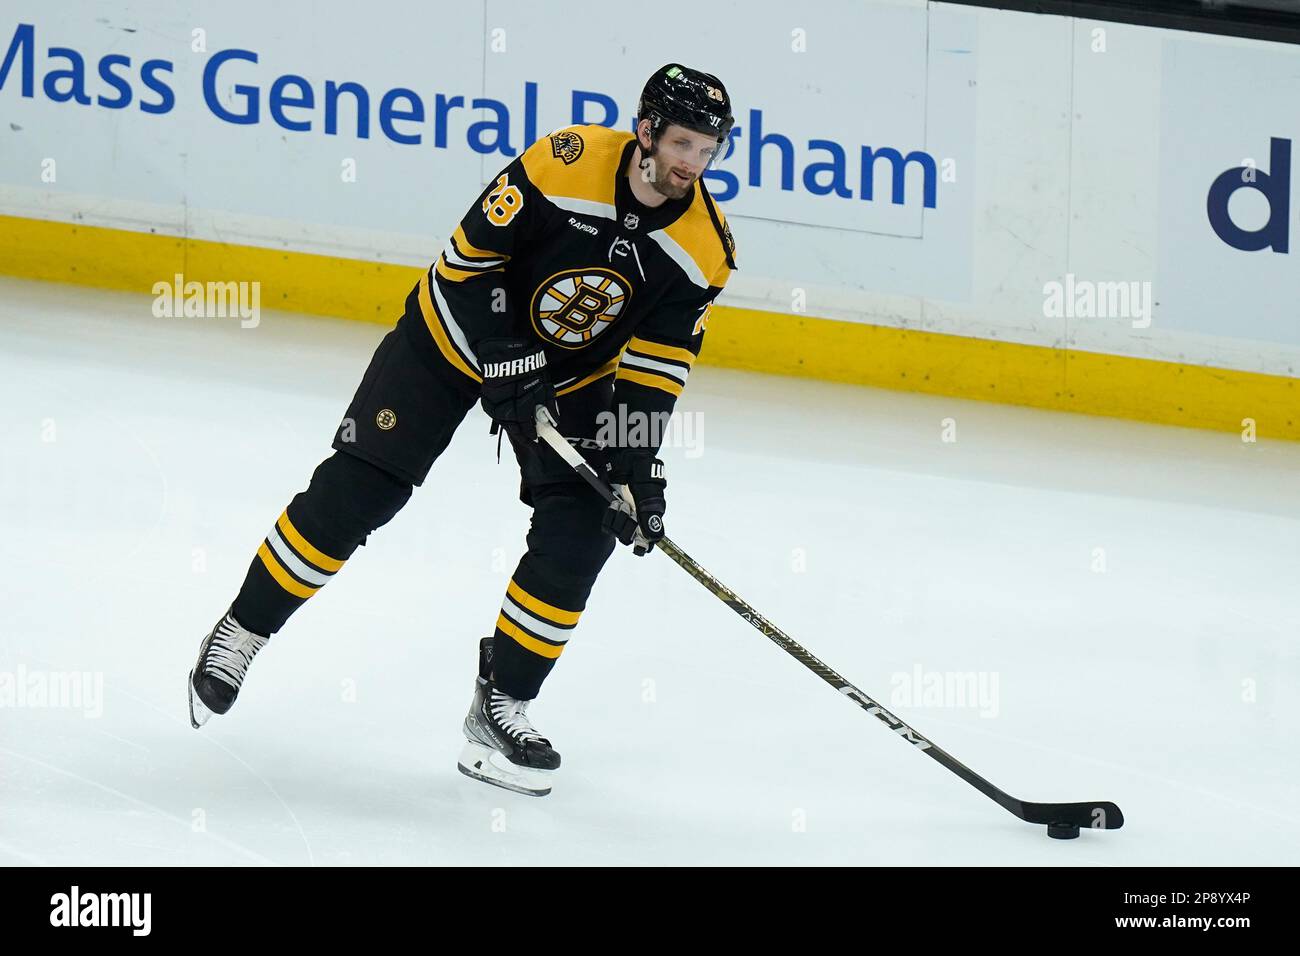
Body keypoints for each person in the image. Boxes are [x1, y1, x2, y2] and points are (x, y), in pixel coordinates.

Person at [187, 63, 737, 797]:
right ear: (644, 131)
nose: (692, 165)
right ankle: (242, 632)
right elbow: (465, 264)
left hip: (570, 379)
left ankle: (501, 703)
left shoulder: (705, 246)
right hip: (448, 341)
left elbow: (656, 369)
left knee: (585, 528)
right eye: (682, 145)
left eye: (707, 151)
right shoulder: (564, 161)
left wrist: (638, 468)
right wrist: (505, 355)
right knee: (361, 492)